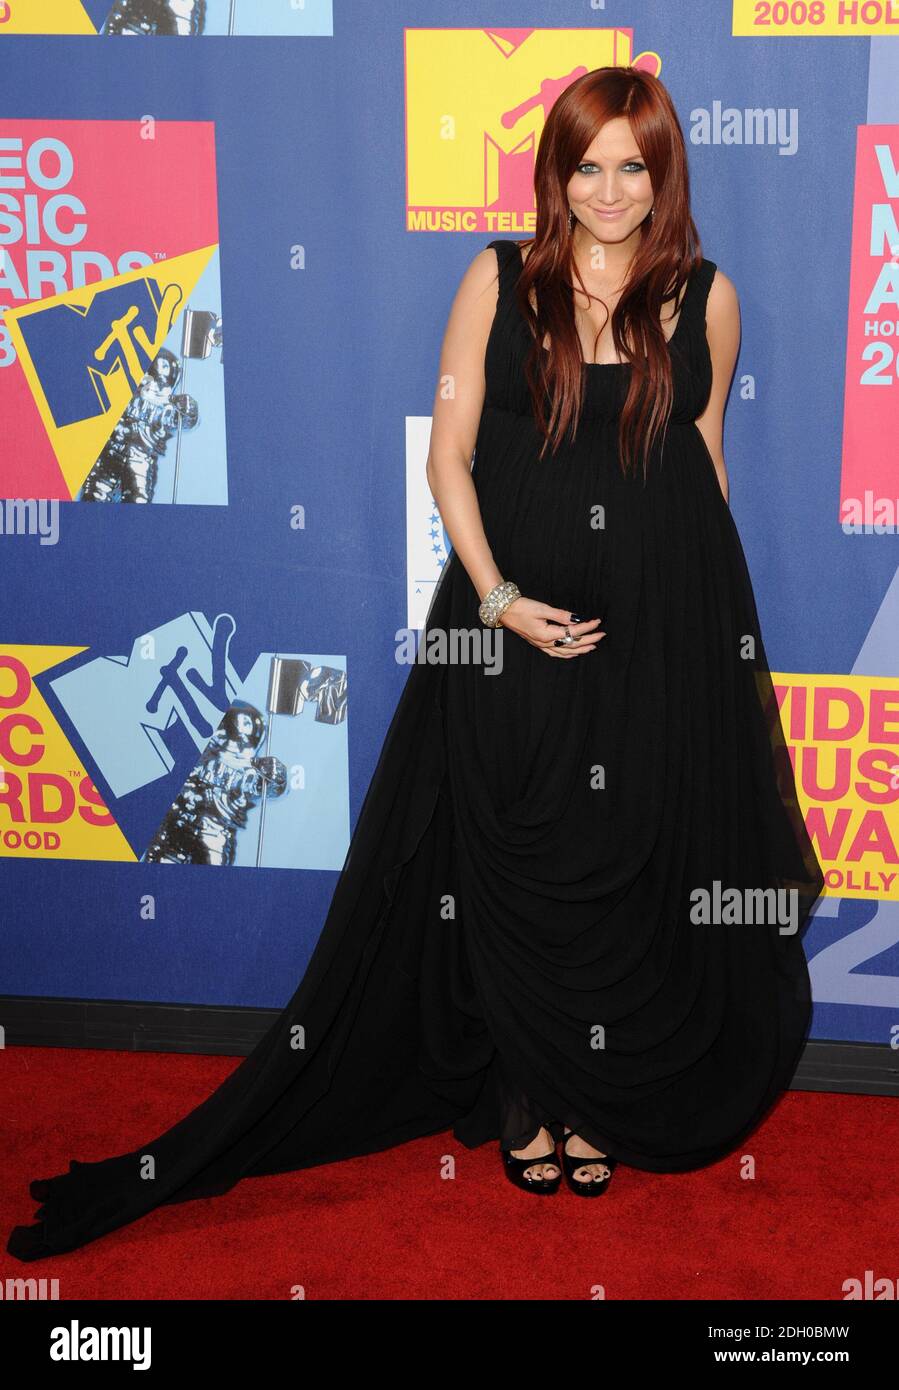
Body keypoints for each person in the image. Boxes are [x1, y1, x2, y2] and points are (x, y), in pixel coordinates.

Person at [7, 66, 824, 1260]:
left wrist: (704, 640)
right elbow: (449, 455)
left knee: (625, 854)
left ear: (663, 175)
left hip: (660, 628)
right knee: (526, 855)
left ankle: (588, 1097)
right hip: (507, 626)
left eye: (631, 166)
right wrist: (495, 601)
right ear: (555, 170)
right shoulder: (500, 280)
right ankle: (528, 1098)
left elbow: (704, 464)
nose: (607, 189)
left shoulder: (704, 297)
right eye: (586, 164)